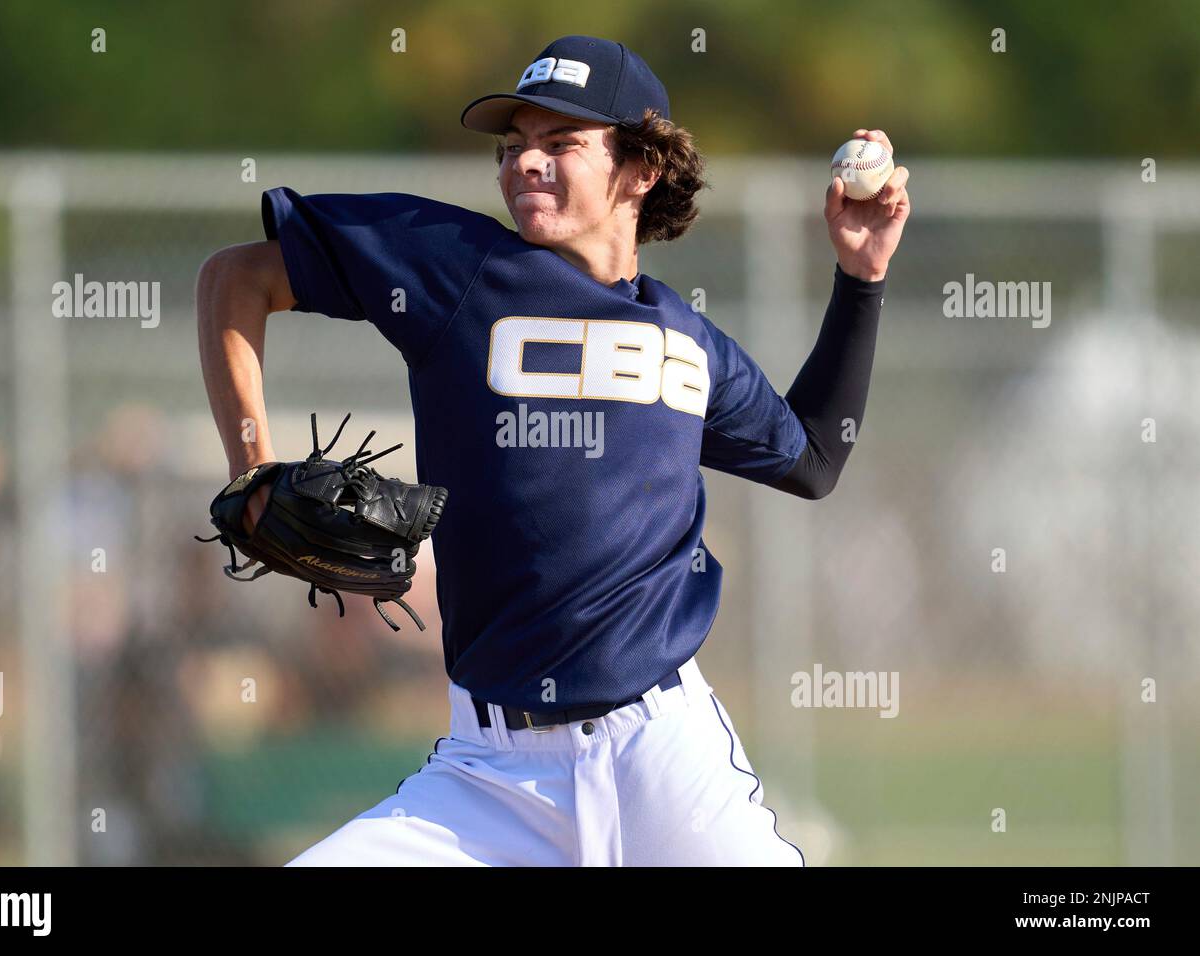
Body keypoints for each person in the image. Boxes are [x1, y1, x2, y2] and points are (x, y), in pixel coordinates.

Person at [196, 34, 910, 866]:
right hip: (488, 780)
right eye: (512, 145)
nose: (526, 162)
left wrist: (861, 279)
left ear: (642, 168)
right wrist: (251, 468)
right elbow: (234, 278)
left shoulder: (687, 343)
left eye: (561, 142)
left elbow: (816, 458)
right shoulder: (458, 267)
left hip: (664, 763)